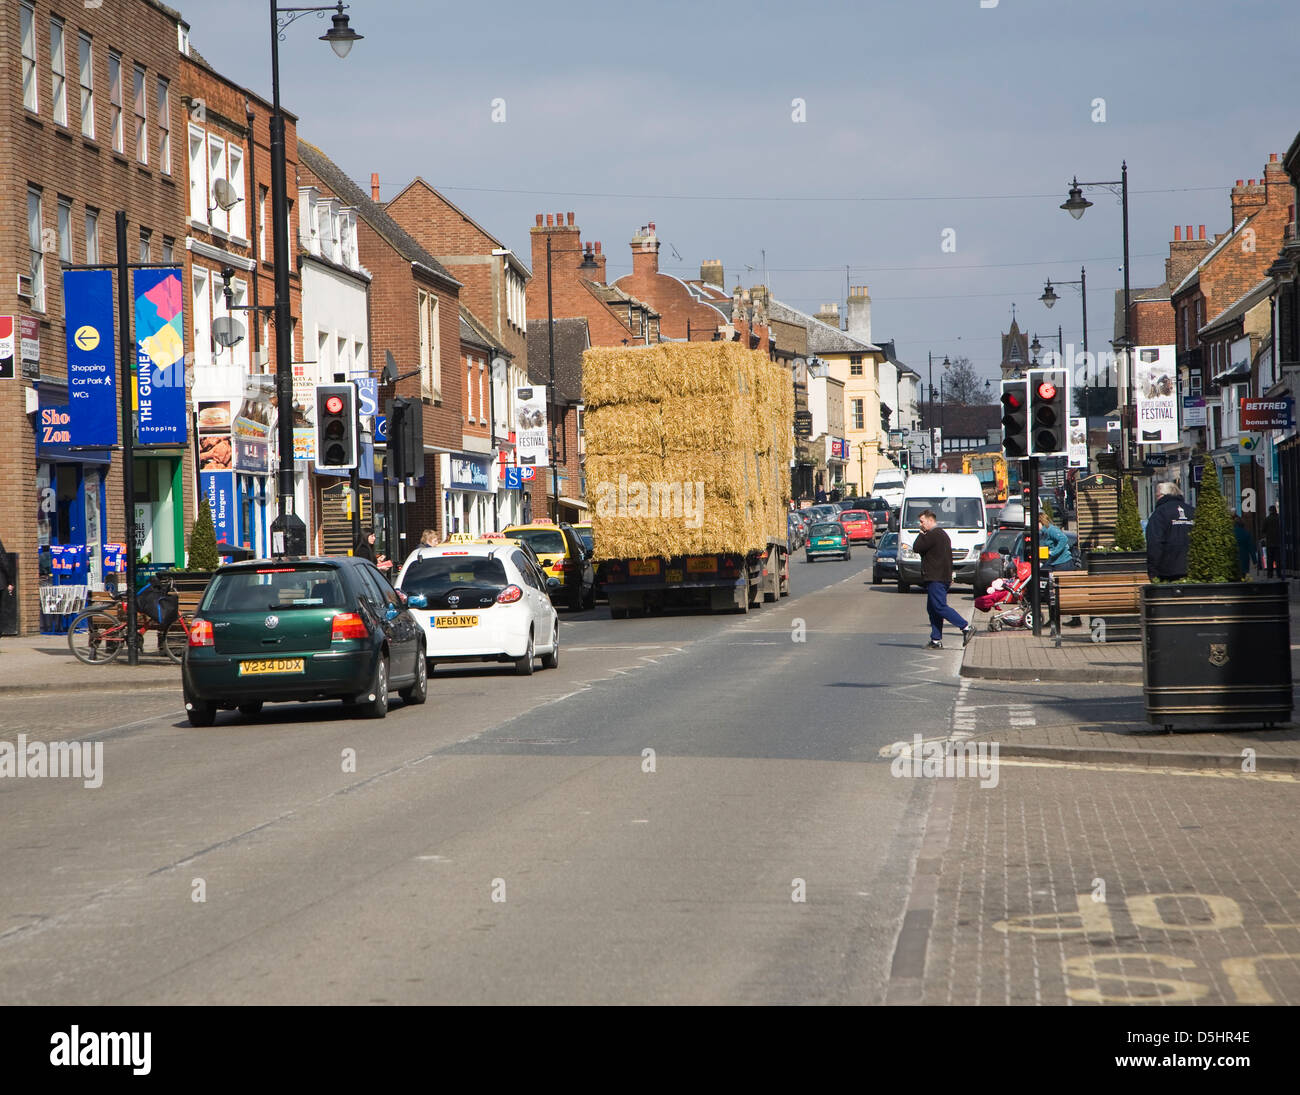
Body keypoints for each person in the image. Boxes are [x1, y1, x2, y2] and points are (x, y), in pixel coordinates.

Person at [913, 509, 974, 649]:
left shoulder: (933, 534)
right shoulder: (942, 535)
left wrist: (921, 533)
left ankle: (966, 627)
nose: (920, 524)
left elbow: (916, 547)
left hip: (936, 578)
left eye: (922, 522)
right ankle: (936, 640)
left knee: (939, 607)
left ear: (930, 520)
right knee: (933, 608)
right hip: (941, 576)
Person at [1146, 481, 1196, 581]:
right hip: (1193, 568)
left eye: (1157, 495)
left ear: (1162, 495)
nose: (1156, 498)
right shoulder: (1192, 511)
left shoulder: (1159, 513)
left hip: (1167, 571)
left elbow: (1155, 542)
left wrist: (1152, 570)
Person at [1262, 504, 1281, 577]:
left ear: (1270, 511)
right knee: (1278, 559)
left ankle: (1270, 574)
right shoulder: (1279, 518)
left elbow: (1263, 530)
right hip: (1278, 542)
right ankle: (1279, 573)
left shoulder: (1267, 519)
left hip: (1269, 542)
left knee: (1270, 559)